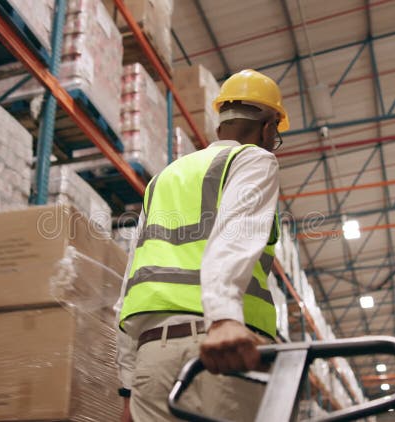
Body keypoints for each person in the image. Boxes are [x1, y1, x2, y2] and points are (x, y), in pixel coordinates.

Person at [114, 69, 291, 422]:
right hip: (219, 353)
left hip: (152, 360)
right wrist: (224, 318)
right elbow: (234, 235)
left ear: (220, 122)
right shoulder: (253, 159)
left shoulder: (164, 178)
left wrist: (127, 386)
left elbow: (131, 282)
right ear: (270, 127)